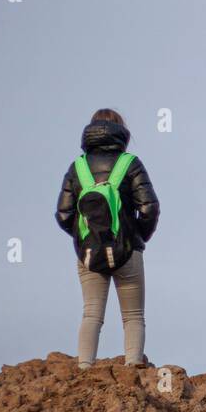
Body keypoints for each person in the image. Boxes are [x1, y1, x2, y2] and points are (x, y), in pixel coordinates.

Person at [55, 109, 160, 369]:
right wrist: (135, 237)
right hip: (127, 251)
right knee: (133, 316)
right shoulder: (129, 163)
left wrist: (84, 238)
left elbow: (63, 213)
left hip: (89, 253)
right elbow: (149, 207)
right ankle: (133, 367)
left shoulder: (78, 167)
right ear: (122, 131)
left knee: (91, 313)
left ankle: (84, 367)